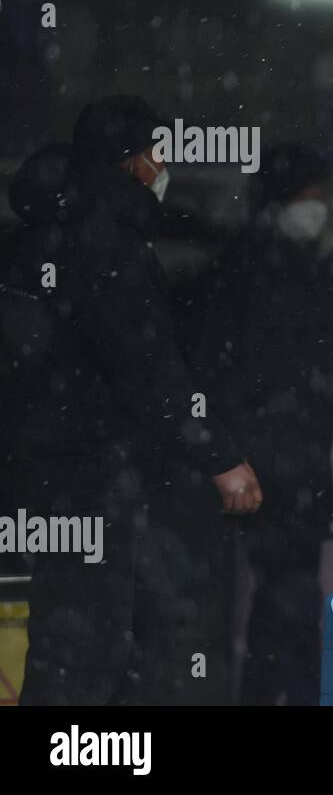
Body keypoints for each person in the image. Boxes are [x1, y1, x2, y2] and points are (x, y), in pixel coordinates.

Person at [0, 96, 262, 705]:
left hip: (43, 468)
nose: (163, 165)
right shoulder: (107, 244)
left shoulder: (38, 239)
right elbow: (149, 367)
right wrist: (220, 457)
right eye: (158, 151)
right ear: (131, 162)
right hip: (85, 469)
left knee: (107, 630)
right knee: (89, 643)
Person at [195, 143, 333, 705]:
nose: (321, 209)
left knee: (277, 601)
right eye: (311, 197)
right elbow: (261, 371)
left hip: (286, 459)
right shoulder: (263, 273)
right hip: (276, 462)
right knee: (286, 599)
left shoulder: (288, 265)